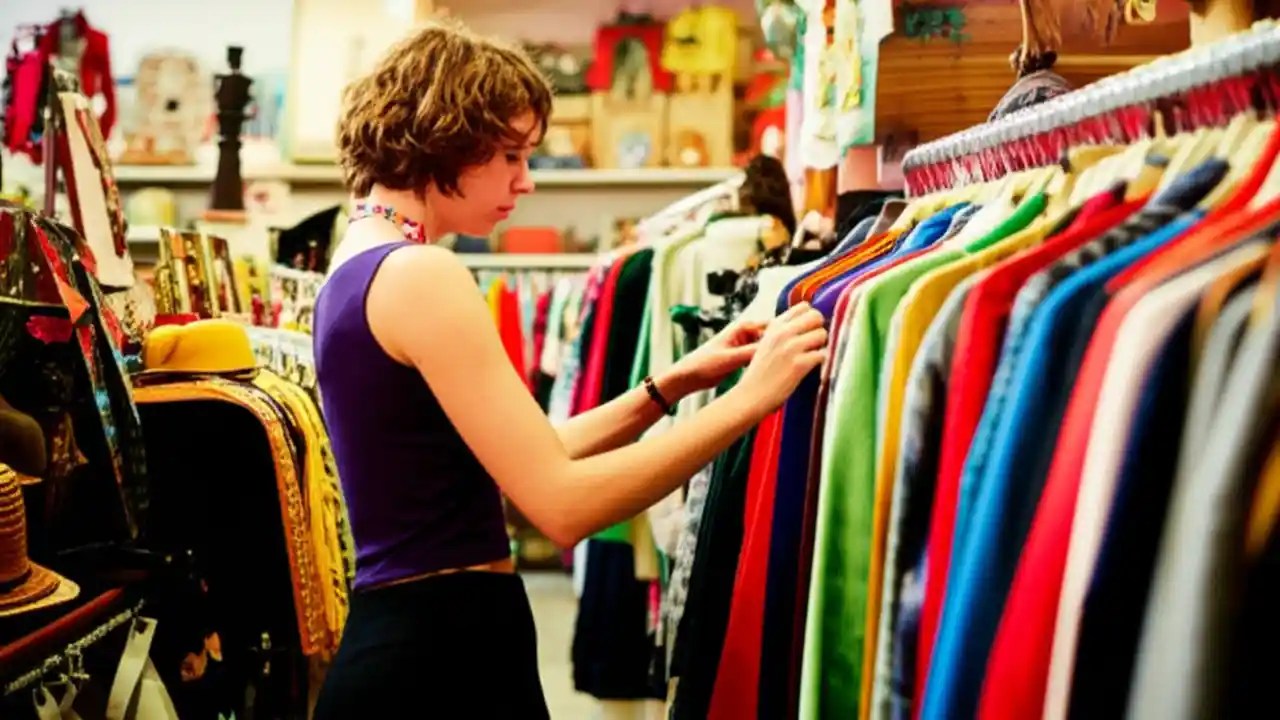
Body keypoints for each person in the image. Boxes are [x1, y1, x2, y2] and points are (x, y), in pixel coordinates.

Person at [311, 19, 827, 717]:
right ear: (445, 139)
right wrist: (750, 402)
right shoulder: (419, 275)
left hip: (423, 641)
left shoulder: (360, 263)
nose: (526, 182)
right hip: (439, 657)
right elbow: (560, 505)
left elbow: (525, 457)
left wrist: (669, 387)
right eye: (510, 155)